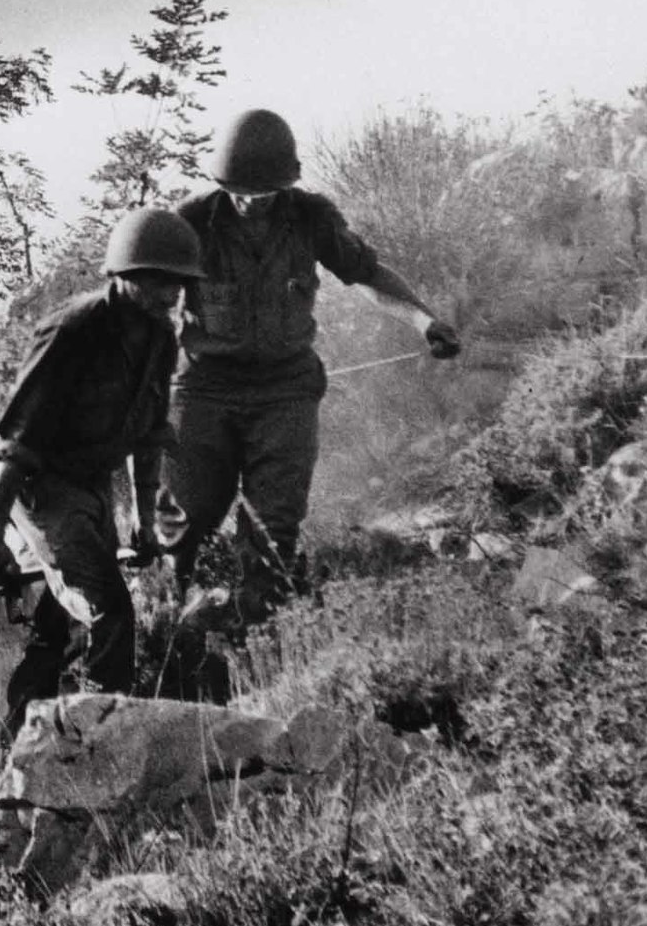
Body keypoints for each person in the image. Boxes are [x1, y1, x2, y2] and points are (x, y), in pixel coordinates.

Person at [168, 108, 461, 609]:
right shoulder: (188, 224)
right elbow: (145, 298)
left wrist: (423, 320)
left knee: (273, 527)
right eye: (239, 191)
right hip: (203, 391)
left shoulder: (311, 218)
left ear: (285, 184)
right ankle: (173, 623)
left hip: (285, 390)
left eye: (264, 193)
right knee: (185, 522)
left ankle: (259, 626)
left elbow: (367, 273)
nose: (250, 203)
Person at [0, 208, 205, 744]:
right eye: (159, 279)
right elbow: (14, 446)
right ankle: (100, 744)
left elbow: (148, 437)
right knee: (109, 609)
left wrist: (143, 520)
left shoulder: (160, 339)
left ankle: (16, 736)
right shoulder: (72, 330)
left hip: (93, 486)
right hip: (41, 490)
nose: (171, 292)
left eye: (178, 281)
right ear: (124, 275)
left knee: (62, 618)